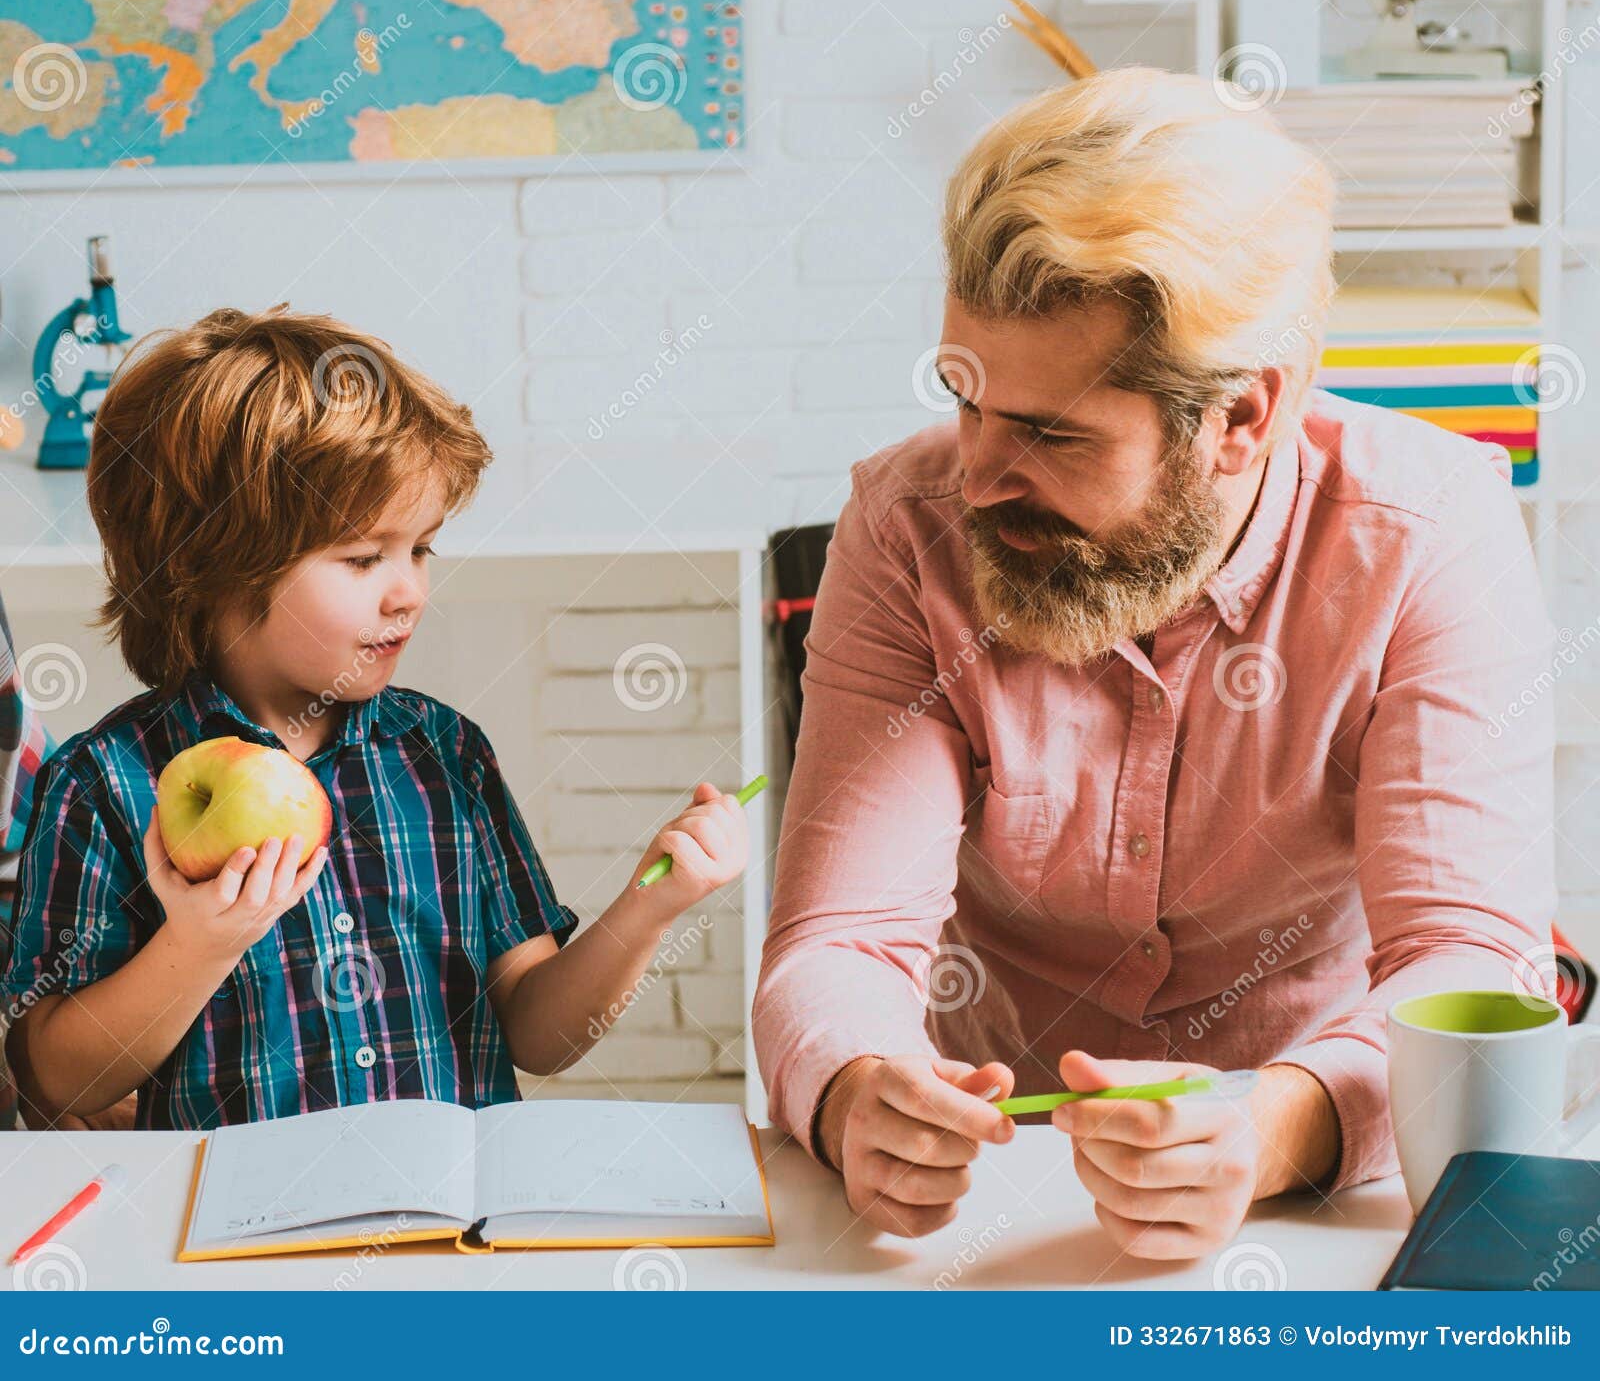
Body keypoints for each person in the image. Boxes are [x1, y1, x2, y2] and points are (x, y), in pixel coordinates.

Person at [753, 66, 1556, 1260]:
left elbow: (1462, 961)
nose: (976, 476)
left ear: (1239, 418)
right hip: (992, 1208)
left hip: (1327, 1210)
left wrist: (1274, 1128)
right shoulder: (904, 522)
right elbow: (841, 938)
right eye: (968, 400)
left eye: (1049, 433)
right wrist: (856, 1086)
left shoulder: (1433, 531)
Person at [0, 307, 748, 1128]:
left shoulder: (445, 755)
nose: (411, 592)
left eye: (420, 550)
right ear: (211, 565)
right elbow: (57, 1082)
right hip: (237, 1245)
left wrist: (651, 907)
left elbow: (539, 1035)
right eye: (363, 559)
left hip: (455, 1240)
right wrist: (200, 944)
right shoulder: (105, 783)